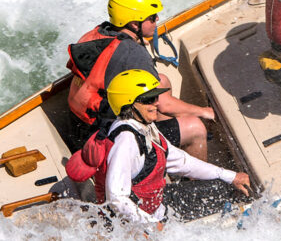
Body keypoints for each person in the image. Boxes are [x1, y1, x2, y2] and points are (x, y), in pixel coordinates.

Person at [66, 69, 250, 225]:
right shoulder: (126, 140)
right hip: (139, 224)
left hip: (158, 205)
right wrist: (151, 226)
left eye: (155, 97)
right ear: (129, 104)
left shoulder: (144, 126)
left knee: (225, 188)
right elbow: (116, 197)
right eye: (148, 99)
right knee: (225, 197)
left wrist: (230, 176)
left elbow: (180, 161)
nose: (156, 103)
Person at [66, 0, 213, 159]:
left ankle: (166, 149)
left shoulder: (97, 34)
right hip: (105, 140)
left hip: (80, 127)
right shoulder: (131, 53)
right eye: (152, 18)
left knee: (162, 81)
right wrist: (205, 111)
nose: (157, 19)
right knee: (195, 127)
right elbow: (164, 104)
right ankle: (198, 184)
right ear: (135, 24)